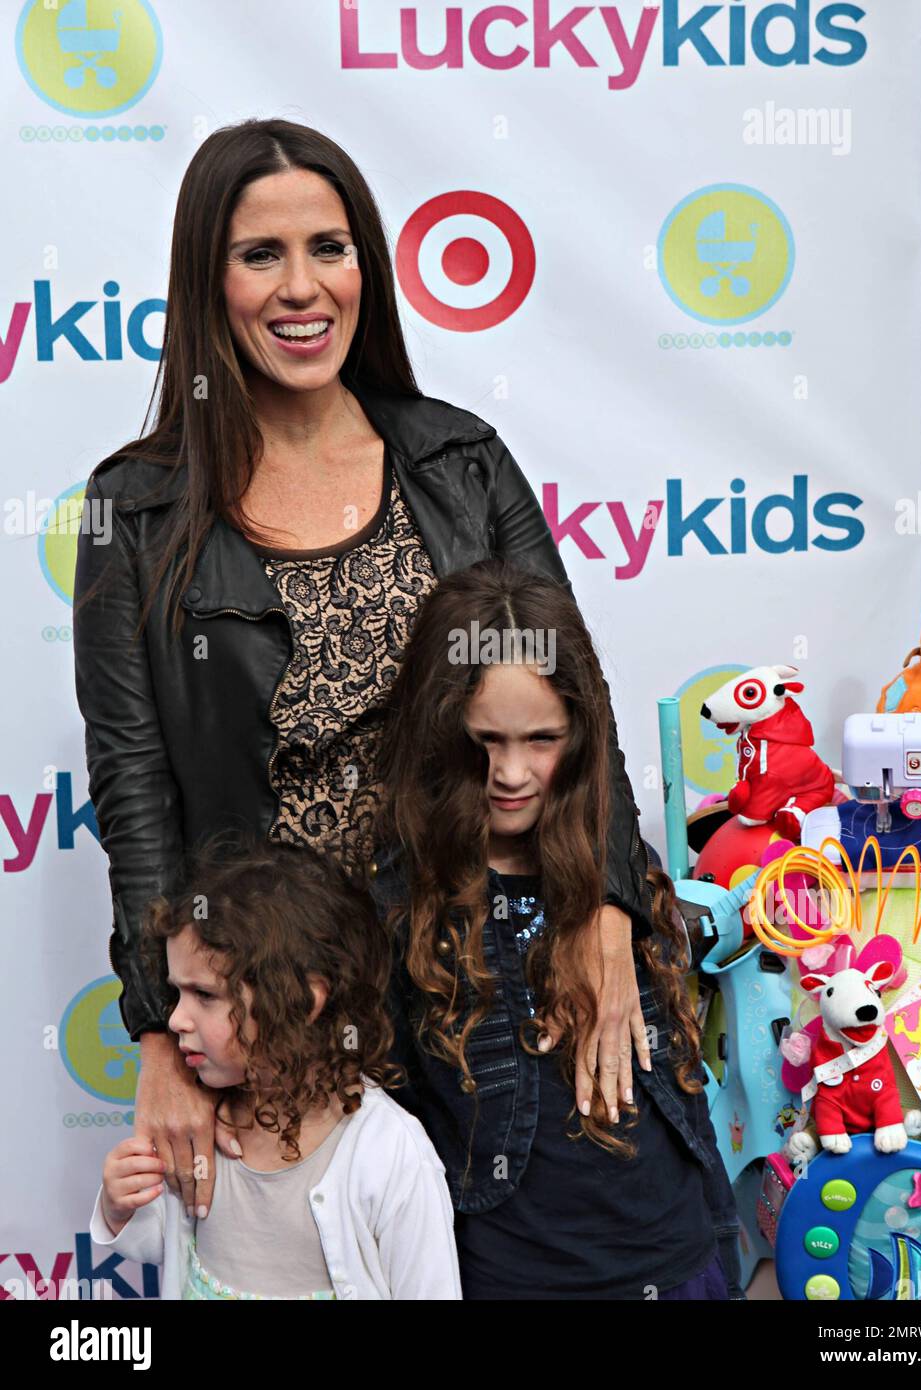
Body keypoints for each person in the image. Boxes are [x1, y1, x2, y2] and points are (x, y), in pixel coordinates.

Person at [72, 117, 655, 1222]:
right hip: (275, 1015)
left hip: (480, 995)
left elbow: (578, 708)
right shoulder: (137, 510)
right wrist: (159, 1029)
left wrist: (608, 905)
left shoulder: (457, 461)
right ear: (210, 281)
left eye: (330, 248)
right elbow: (135, 790)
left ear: (367, 267)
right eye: (261, 255)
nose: (303, 287)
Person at [371, 558, 744, 1300]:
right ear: (440, 731)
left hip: (677, 1265)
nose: (511, 772)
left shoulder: (623, 873)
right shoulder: (399, 902)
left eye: (541, 739)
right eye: (485, 741)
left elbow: (679, 1090)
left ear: (579, 734)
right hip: (509, 1278)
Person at [89, 836, 461, 1300]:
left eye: (204, 995)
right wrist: (118, 1207)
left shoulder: (389, 1152)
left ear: (303, 999)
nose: (175, 1019)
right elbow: (159, 1243)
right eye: (176, 993)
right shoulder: (202, 1125)